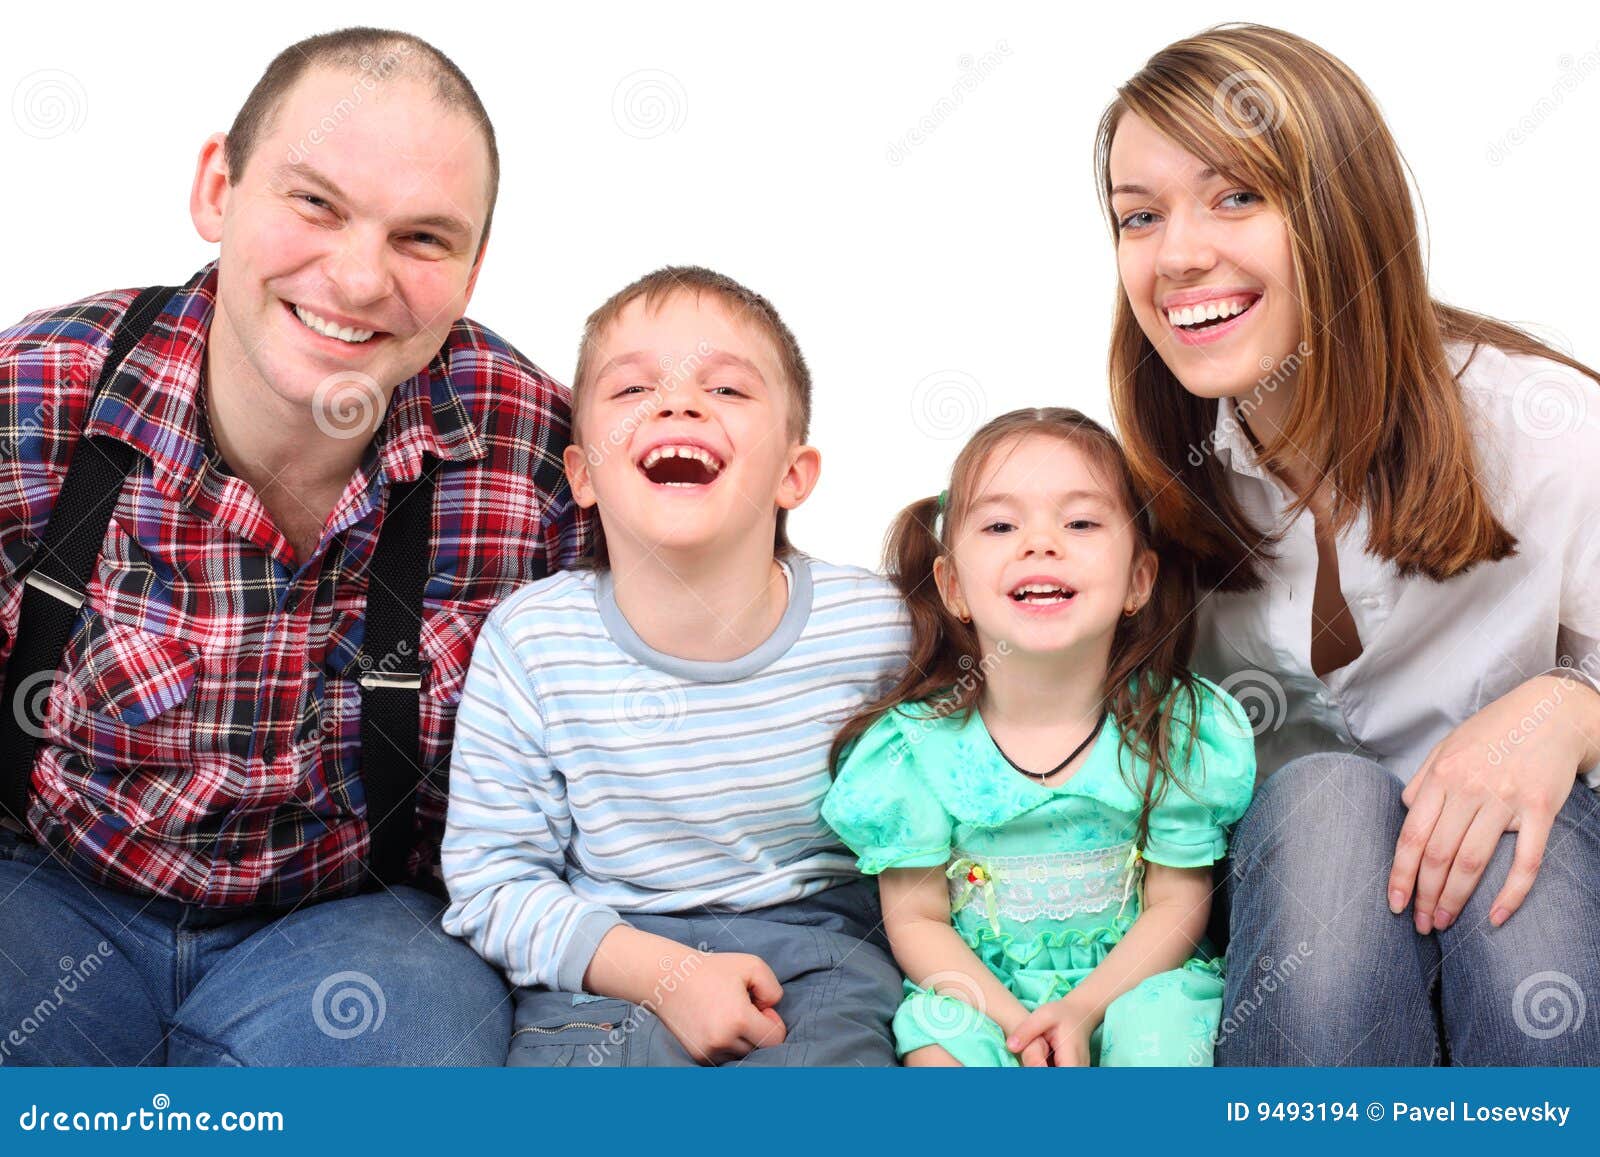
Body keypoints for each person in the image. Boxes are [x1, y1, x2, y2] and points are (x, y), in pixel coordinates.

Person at [0, 27, 585, 1066]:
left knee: (408, 1054)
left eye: (422, 238)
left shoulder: (541, 451)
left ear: (473, 269)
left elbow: (662, 707)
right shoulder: (33, 391)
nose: (357, 280)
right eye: (315, 203)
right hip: (47, 898)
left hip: (358, 935)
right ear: (218, 189)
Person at [1098, 23, 1600, 1063]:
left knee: (1514, 865)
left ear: (1343, 214)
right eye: (1139, 215)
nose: (1177, 254)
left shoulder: (1544, 427)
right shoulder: (1149, 486)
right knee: (1326, 800)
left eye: (1238, 195)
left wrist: (1569, 707)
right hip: (1303, 933)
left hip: (1532, 895)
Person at [441, 265, 912, 1066]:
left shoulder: (877, 628)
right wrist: (663, 974)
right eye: (633, 390)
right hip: (609, 960)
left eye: (726, 389)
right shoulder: (532, 642)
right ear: (583, 475)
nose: (678, 404)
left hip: (820, 952)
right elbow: (494, 882)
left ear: (793, 474)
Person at [822, 407, 1256, 1066]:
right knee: (937, 1045)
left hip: (1132, 988)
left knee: (1162, 1039)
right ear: (953, 587)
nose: (1041, 543)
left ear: (1138, 580)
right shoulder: (915, 749)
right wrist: (1018, 1026)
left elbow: (1175, 903)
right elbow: (917, 919)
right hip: (981, 995)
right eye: (1001, 525)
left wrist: (1082, 1010)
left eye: (1080, 523)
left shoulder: (1173, 728)